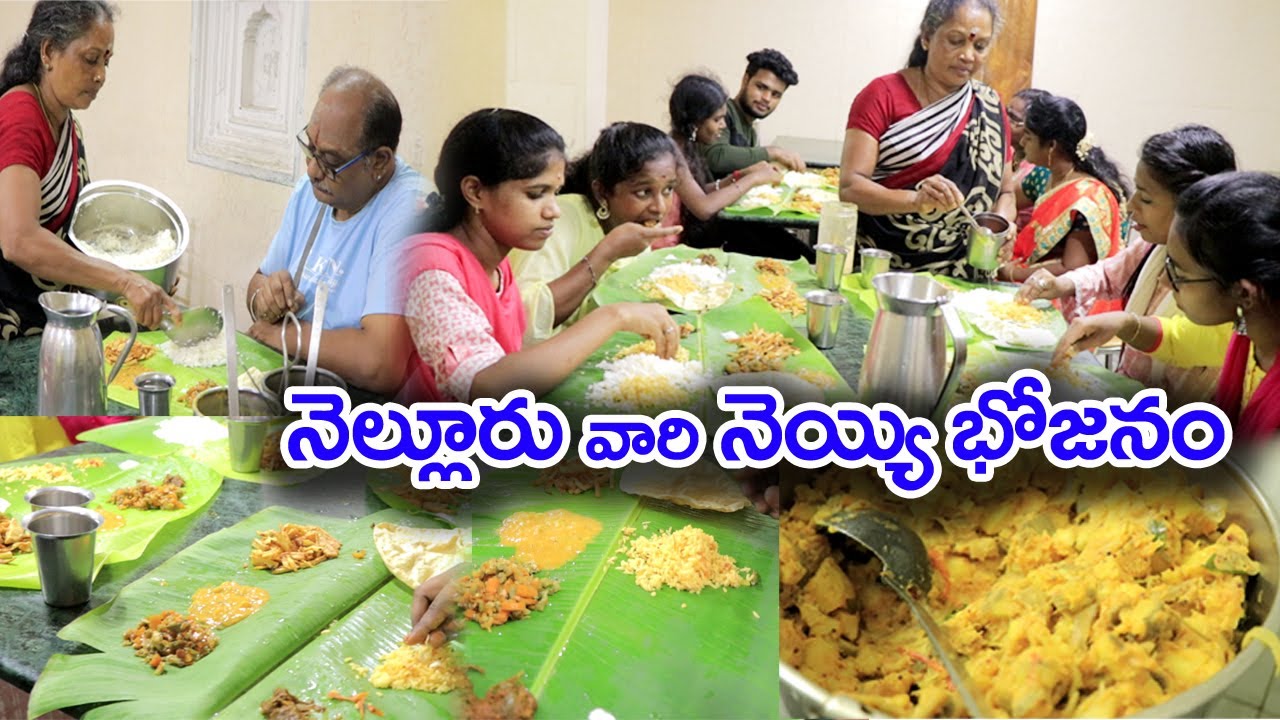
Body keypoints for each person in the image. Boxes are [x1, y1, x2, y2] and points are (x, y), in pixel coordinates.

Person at [399, 108, 680, 404]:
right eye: (536, 194)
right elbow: (485, 386)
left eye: (555, 193)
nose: (554, 210)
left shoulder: (497, 266)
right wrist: (614, 316)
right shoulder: (432, 270)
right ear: (475, 192)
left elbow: (520, 349)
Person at [1017, 125, 1237, 405]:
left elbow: (1182, 341)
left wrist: (1126, 325)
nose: (1131, 206)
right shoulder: (1154, 247)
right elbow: (1110, 272)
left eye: (1145, 198)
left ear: (1192, 205)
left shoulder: (1221, 285)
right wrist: (1061, 284)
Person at [1053, 172, 1280, 439]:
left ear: (1244, 292)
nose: (1164, 281)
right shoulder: (1250, 327)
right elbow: (1179, 338)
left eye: (1177, 272)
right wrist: (1123, 323)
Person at [0, 0, 176, 338]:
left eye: (106, 62)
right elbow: (18, 240)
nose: (100, 76)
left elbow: (69, 232)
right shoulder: (21, 117)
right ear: (48, 52)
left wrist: (145, 275)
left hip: (47, 319)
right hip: (11, 329)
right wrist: (123, 280)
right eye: (90, 59)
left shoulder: (66, 124)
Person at [245, 66, 419, 396]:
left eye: (329, 160)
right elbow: (257, 284)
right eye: (310, 149)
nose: (312, 170)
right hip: (294, 378)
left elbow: (380, 363)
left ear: (380, 161)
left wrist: (282, 334)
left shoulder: (408, 211)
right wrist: (265, 298)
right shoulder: (313, 193)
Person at [838, 0, 1016, 278]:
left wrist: (1001, 225)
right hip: (884, 270)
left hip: (964, 277)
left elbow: (1006, 191)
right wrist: (915, 201)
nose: (968, 56)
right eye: (956, 41)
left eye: (980, 46)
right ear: (926, 37)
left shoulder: (990, 105)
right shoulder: (882, 94)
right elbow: (850, 187)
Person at [508, 122, 682, 345]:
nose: (659, 207)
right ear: (602, 192)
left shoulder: (635, 225)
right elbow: (524, 321)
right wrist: (606, 253)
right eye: (643, 192)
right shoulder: (558, 221)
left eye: (668, 190)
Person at [998, 95, 1128, 283]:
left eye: (1028, 136)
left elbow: (1073, 268)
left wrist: (1012, 273)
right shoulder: (1045, 175)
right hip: (1034, 278)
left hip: (1065, 295)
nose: (1023, 143)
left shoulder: (1087, 198)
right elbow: (1008, 197)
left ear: (1051, 145)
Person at [667, 74, 795, 256]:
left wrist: (740, 175)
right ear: (696, 121)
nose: (722, 125)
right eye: (717, 119)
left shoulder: (686, 146)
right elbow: (703, 207)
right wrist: (753, 179)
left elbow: (700, 192)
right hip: (673, 249)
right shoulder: (672, 155)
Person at [701, 49, 805, 176]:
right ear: (746, 80)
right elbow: (716, 157)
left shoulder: (751, 131)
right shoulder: (720, 114)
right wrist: (772, 152)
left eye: (776, 95)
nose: (767, 98)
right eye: (761, 87)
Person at [1009, 88, 1051, 229]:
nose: (1005, 120)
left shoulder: (1040, 170)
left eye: (1014, 118)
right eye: (1005, 112)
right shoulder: (1007, 152)